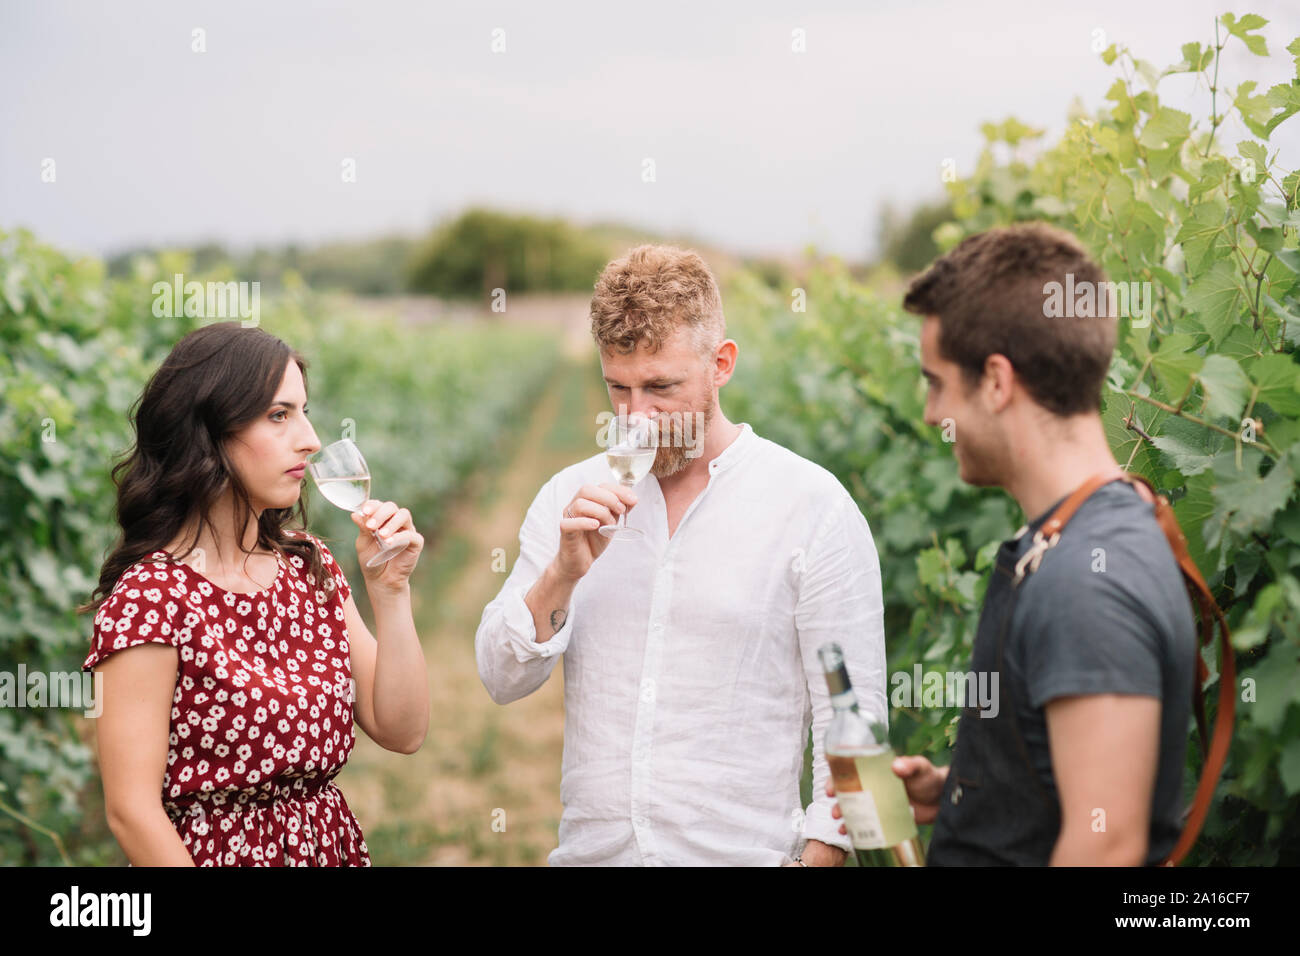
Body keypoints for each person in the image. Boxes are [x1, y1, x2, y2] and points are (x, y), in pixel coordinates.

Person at [476, 245, 887, 866]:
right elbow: (501, 678)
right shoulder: (569, 496)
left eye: (661, 386)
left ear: (721, 364)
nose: (635, 416)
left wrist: (818, 858)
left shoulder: (812, 508)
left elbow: (854, 722)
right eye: (618, 387)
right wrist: (560, 577)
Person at [828, 223, 1196, 865]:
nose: (929, 413)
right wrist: (967, 794)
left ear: (996, 382)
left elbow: (1106, 845)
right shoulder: (1094, 533)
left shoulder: (1087, 579)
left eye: (936, 382)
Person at [79, 321, 429, 866]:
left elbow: (403, 730)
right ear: (208, 431)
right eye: (278, 415)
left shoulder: (307, 565)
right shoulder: (152, 598)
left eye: (303, 411)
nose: (310, 439)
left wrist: (391, 592)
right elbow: (131, 811)